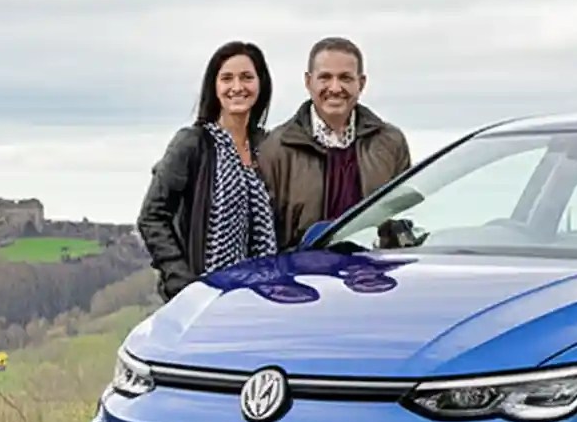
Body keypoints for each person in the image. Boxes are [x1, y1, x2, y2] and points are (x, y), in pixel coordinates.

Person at [137, 40, 279, 301]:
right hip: (203, 299)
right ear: (214, 87)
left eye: (247, 77)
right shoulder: (192, 144)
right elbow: (152, 217)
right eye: (227, 78)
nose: (237, 87)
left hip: (260, 298)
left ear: (261, 84)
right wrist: (182, 281)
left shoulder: (270, 148)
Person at [257, 36, 412, 249]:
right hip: (302, 277)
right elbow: (262, 235)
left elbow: (405, 218)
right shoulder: (275, 149)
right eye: (325, 78)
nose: (335, 87)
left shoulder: (390, 143)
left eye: (346, 78)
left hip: (373, 276)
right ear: (308, 82)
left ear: (362, 83)